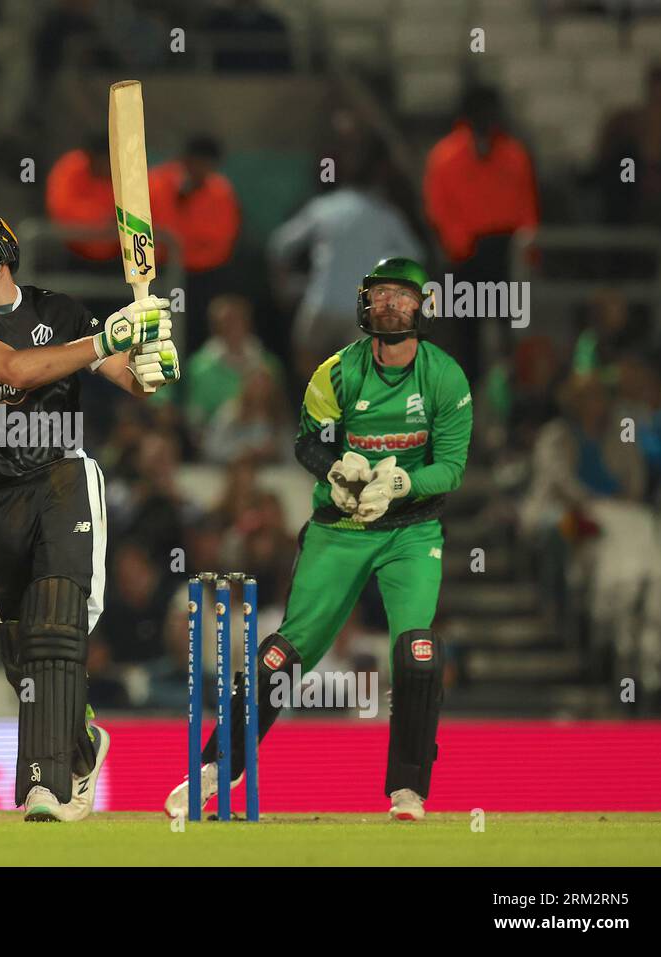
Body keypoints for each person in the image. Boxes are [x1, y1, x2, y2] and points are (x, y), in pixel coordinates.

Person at [164, 257, 472, 823]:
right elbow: (309, 444)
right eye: (380, 295)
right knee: (283, 652)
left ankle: (408, 790)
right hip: (341, 526)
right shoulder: (335, 372)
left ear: (421, 307)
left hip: (411, 529)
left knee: (417, 653)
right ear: (365, 304)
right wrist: (337, 473)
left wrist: (403, 481)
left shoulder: (445, 377)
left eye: (402, 296)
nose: (390, 305)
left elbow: (451, 468)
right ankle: (213, 769)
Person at [0, 202, 179, 821]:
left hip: (62, 475)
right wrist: (106, 338)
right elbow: (16, 369)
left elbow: (132, 380)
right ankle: (83, 744)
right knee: (21, 650)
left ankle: (49, 785)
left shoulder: (60, 309)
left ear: (5, 243)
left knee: (55, 625)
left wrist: (152, 362)